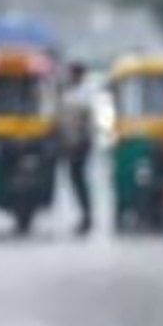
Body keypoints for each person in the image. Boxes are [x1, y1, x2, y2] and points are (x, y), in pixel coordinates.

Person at [59, 62, 94, 236]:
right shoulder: (71, 92)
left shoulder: (84, 94)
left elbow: (85, 125)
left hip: (79, 145)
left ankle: (87, 218)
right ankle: (85, 217)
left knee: (79, 181)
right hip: (71, 144)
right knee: (76, 181)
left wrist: (79, 144)